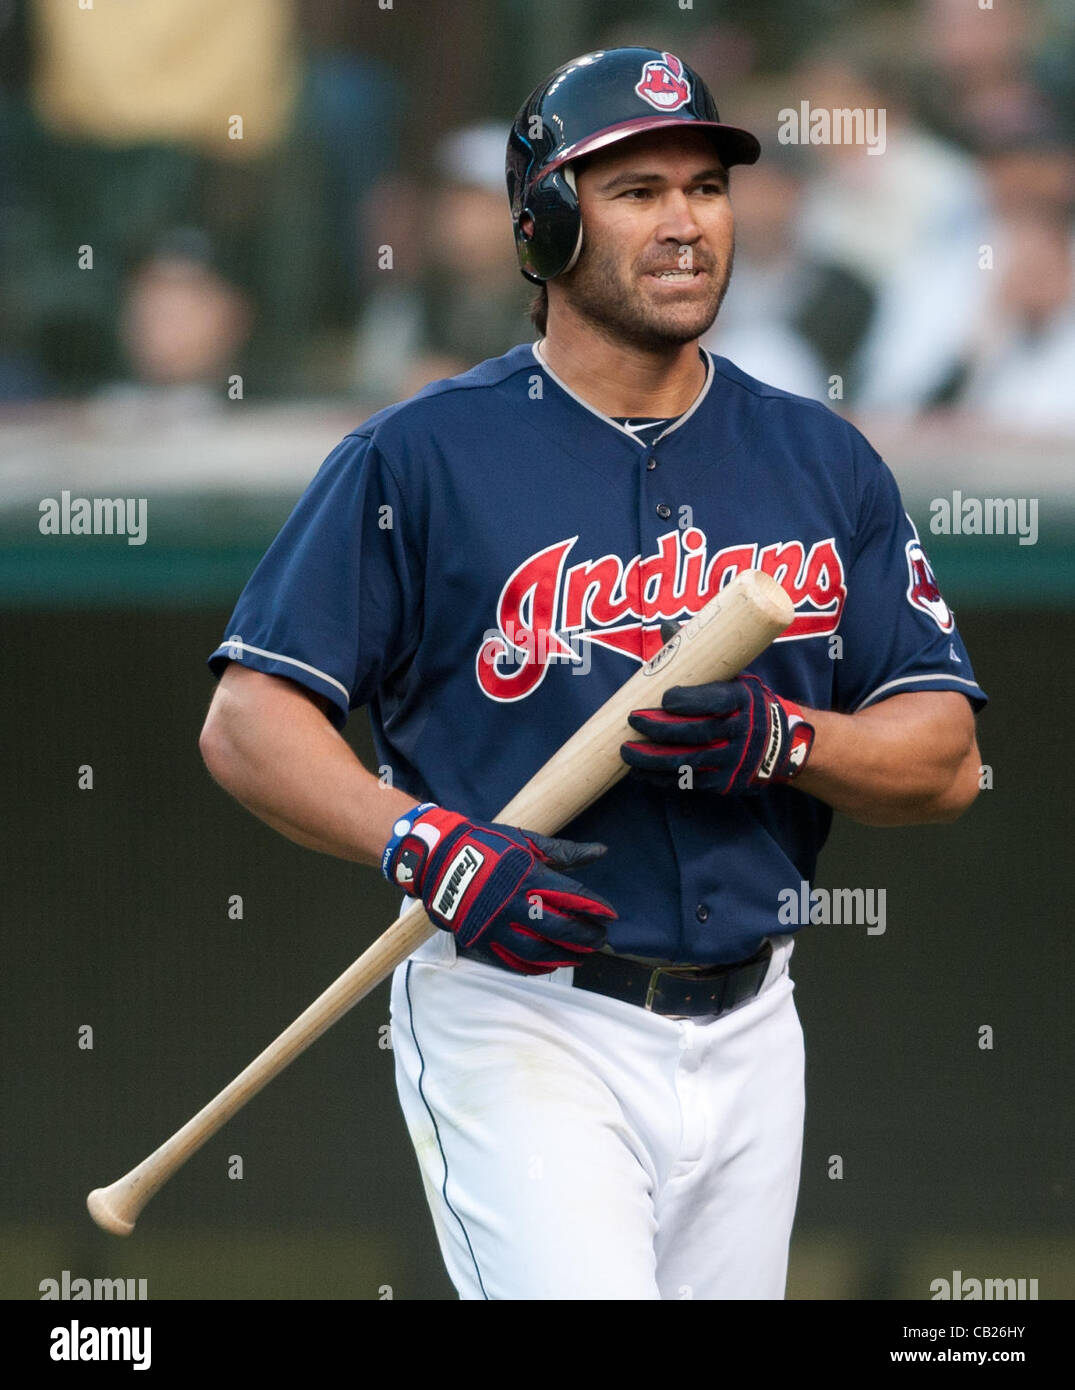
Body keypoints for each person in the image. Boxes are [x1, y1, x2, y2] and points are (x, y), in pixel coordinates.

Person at [199, 48, 987, 1300]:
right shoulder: (421, 455)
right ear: (545, 224)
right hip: (523, 1016)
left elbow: (944, 760)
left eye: (705, 187)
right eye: (635, 191)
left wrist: (788, 741)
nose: (685, 221)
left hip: (751, 1023)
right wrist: (422, 839)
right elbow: (249, 720)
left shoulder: (819, 458)